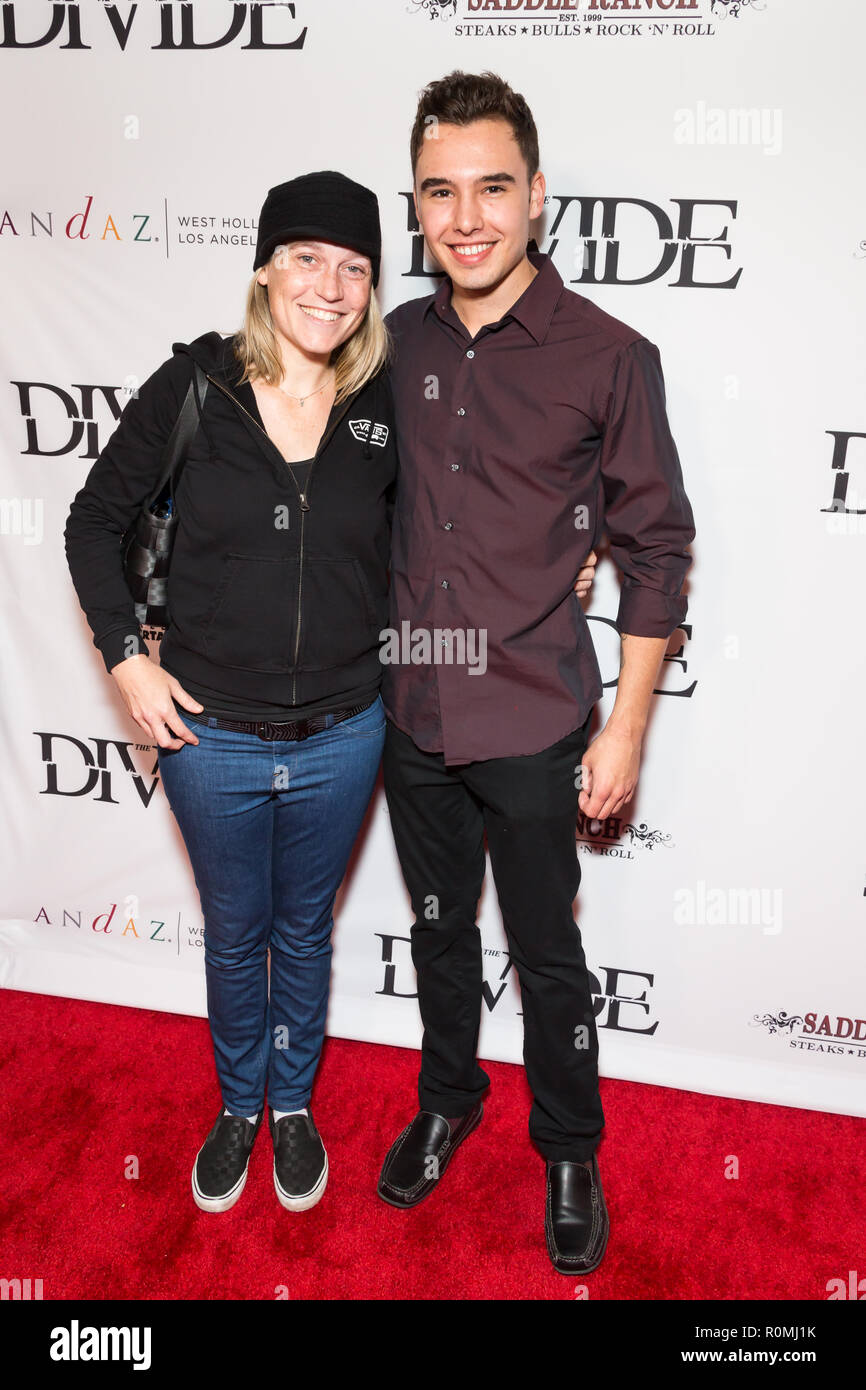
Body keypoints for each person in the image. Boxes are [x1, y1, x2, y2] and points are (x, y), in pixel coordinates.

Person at [376, 71, 696, 1276]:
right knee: (434, 930)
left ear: (538, 197)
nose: (465, 217)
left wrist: (622, 735)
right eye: (439, 191)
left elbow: (656, 545)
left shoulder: (610, 356)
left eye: (492, 188)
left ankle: (568, 1146)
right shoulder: (386, 342)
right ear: (414, 205)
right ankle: (446, 1098)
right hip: (408, 699)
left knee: (546, 952)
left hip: (530, 716)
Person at [64, 171, 398, 1215]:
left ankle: (291, 1106)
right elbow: (89, 524)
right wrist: (125, 656)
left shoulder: (385, 404)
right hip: (209, 733)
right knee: (233, 926)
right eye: (305, 256)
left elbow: (463, 526)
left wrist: (564, 563)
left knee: (303, 929)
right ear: (263, 268)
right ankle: (237, 1107)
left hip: (345, 728)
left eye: (353, 266)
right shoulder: (196, 389)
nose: (329, 285)